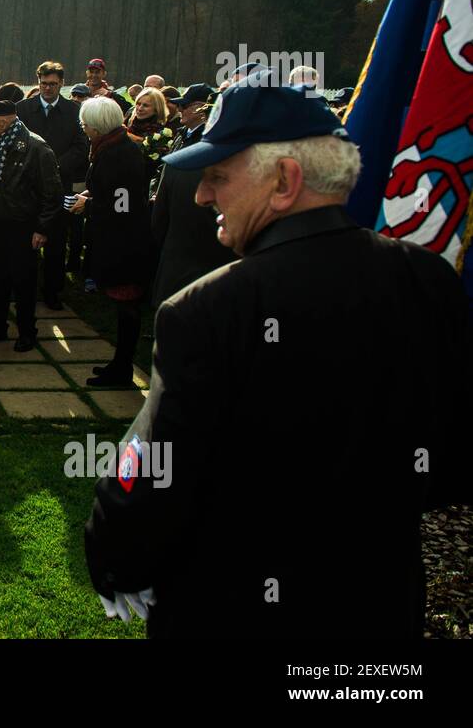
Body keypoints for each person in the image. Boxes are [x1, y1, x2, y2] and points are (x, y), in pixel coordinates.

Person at [86, 77, 468, 639]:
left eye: (217, 176)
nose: (201, 195)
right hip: (378, 610)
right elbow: (452, 461)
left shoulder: (208, 309)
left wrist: (114, 558)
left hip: (231, 606)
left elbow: (149, 471)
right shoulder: (429, 279)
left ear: (285, 181)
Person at [66, 96, 152, 385]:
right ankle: (119, 364)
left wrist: (86, 205)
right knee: (122, 308)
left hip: (124, 244)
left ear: (99, 126)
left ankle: (123, 368)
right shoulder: (112, 146)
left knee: (127, 306)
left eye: (86, 124)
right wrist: (91, 196)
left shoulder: (119, 154)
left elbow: (122, 205)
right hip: (118, 240)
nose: (84, 129)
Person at [0, 99, 63, 351]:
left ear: (4, 122)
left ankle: (27, 332)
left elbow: (53, 194)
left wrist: (42, 228)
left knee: (24, 283)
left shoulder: (37, 149)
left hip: (23, 227)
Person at [150, 83, 235, 307]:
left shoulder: (212, 153)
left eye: (184, 106)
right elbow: (164, 170)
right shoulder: (183, 137)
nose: (179, 111)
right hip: (181, 254)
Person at [15, 61, 89, 310]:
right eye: (43, 84)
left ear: (62, 84)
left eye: (53, 84)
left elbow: (81, 146)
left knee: (56, 242)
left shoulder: (74, 111)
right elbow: (15, 143)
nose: (48, 88)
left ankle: (53, 291)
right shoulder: (23, 109)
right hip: (28, 186)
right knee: (27, 241)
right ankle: (25, 288)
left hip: (61, 185)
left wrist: (54, 166)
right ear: (38, 82)